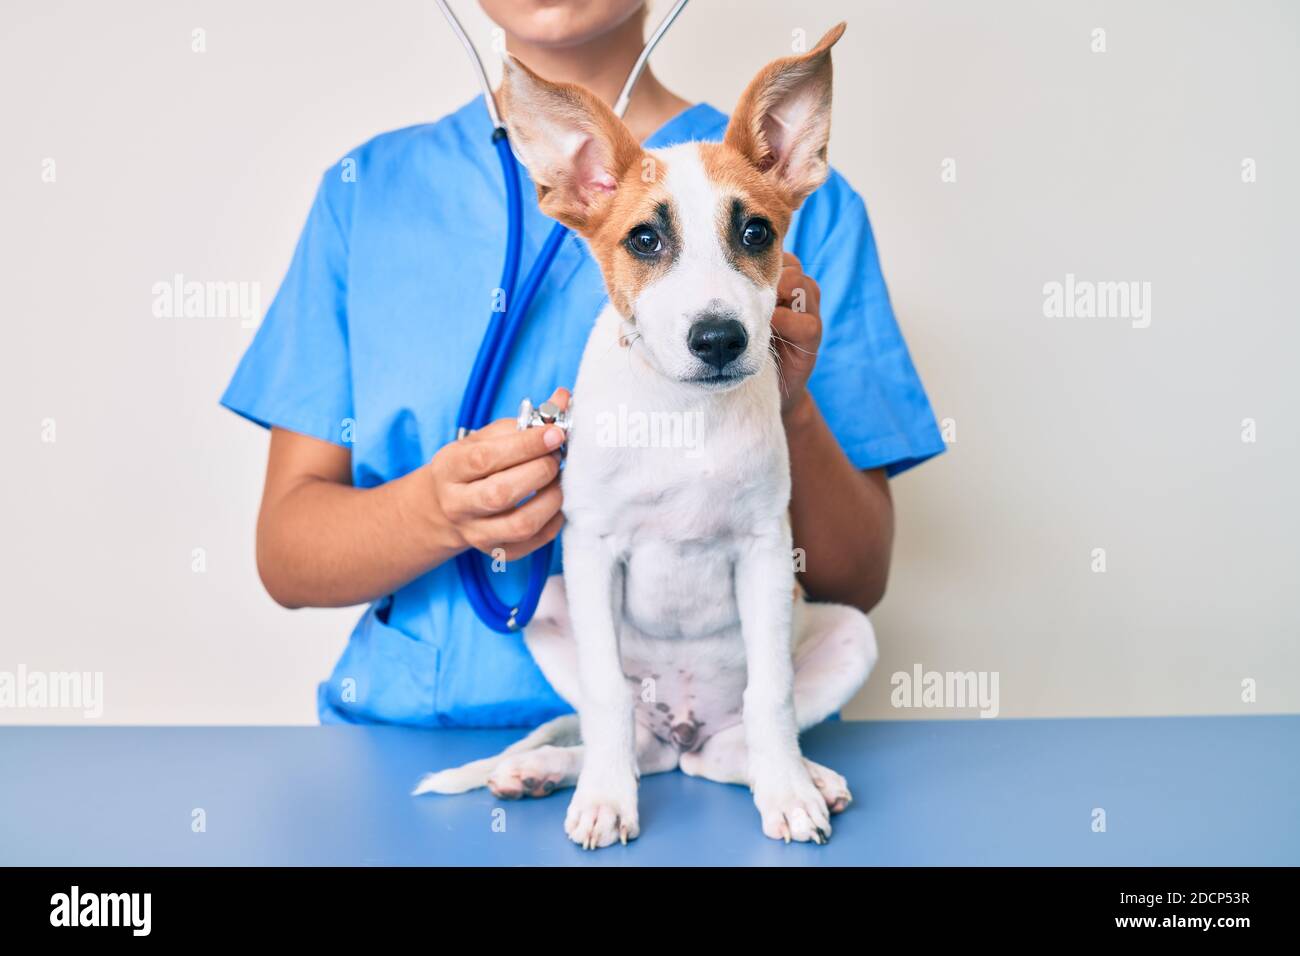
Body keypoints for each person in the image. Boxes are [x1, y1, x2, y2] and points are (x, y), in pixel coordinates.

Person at [221, 0, 945, 728]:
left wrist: (782, 402)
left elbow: (855, 578)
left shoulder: (784, 196)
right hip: (415, 738)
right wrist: (435, 511)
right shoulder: (366, 194)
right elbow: (286, 558)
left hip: (714, 748)